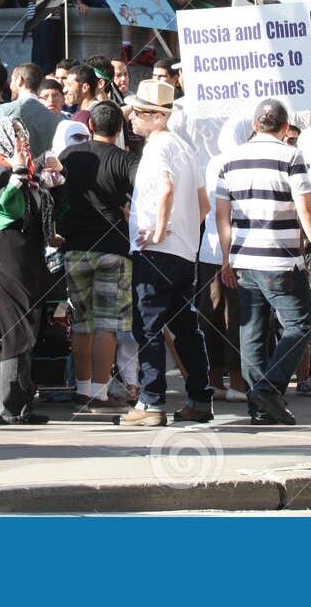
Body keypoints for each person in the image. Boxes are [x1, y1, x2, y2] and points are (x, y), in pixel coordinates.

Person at [215, 98, 311, 425]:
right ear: (284, 128)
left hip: (244, 258)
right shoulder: (291, 156)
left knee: (252, 333)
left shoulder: (229, 161)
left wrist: (227, 257)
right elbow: (306, 209)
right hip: (281, 259)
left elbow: (224, 218)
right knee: (301, 324)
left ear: (254, 125)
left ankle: (259, 406)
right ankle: (268, 389)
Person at [121, 79, 213, 427]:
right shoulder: (185, 148)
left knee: (148, 326)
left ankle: (151, 402)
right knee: (186, 328)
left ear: (157, 116)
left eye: (139, 113)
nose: (132, 118)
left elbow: (166, 189)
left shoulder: (158, 147)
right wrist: (183, 228)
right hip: (182, 251)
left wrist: (159, 229)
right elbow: (202, 203)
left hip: (158, 251)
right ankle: (199, 398)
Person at [0, 117, 60, 425]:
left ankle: (19, 404)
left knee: (28, 328)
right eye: (16, 136)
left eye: (22, 135)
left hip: (25, 256)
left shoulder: (24, 171)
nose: (22, 141)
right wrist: (18, 171)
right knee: (18, 330)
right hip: (6, 255)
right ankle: (10, 406)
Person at [57, 101, 138, 410]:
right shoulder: (126, 159)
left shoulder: (69, 155)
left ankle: (82, 388)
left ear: (90, 126)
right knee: (107, 324)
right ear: (119, 129)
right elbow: (145, 190)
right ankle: (100, 393)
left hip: (75, 247)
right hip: (114, 249)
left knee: (81, 323)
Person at [0, 62, 62, 154]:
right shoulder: (54, 119)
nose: (11, 86)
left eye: (12, 80)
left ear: (20, 80)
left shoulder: (3, 111)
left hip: (11, 167)